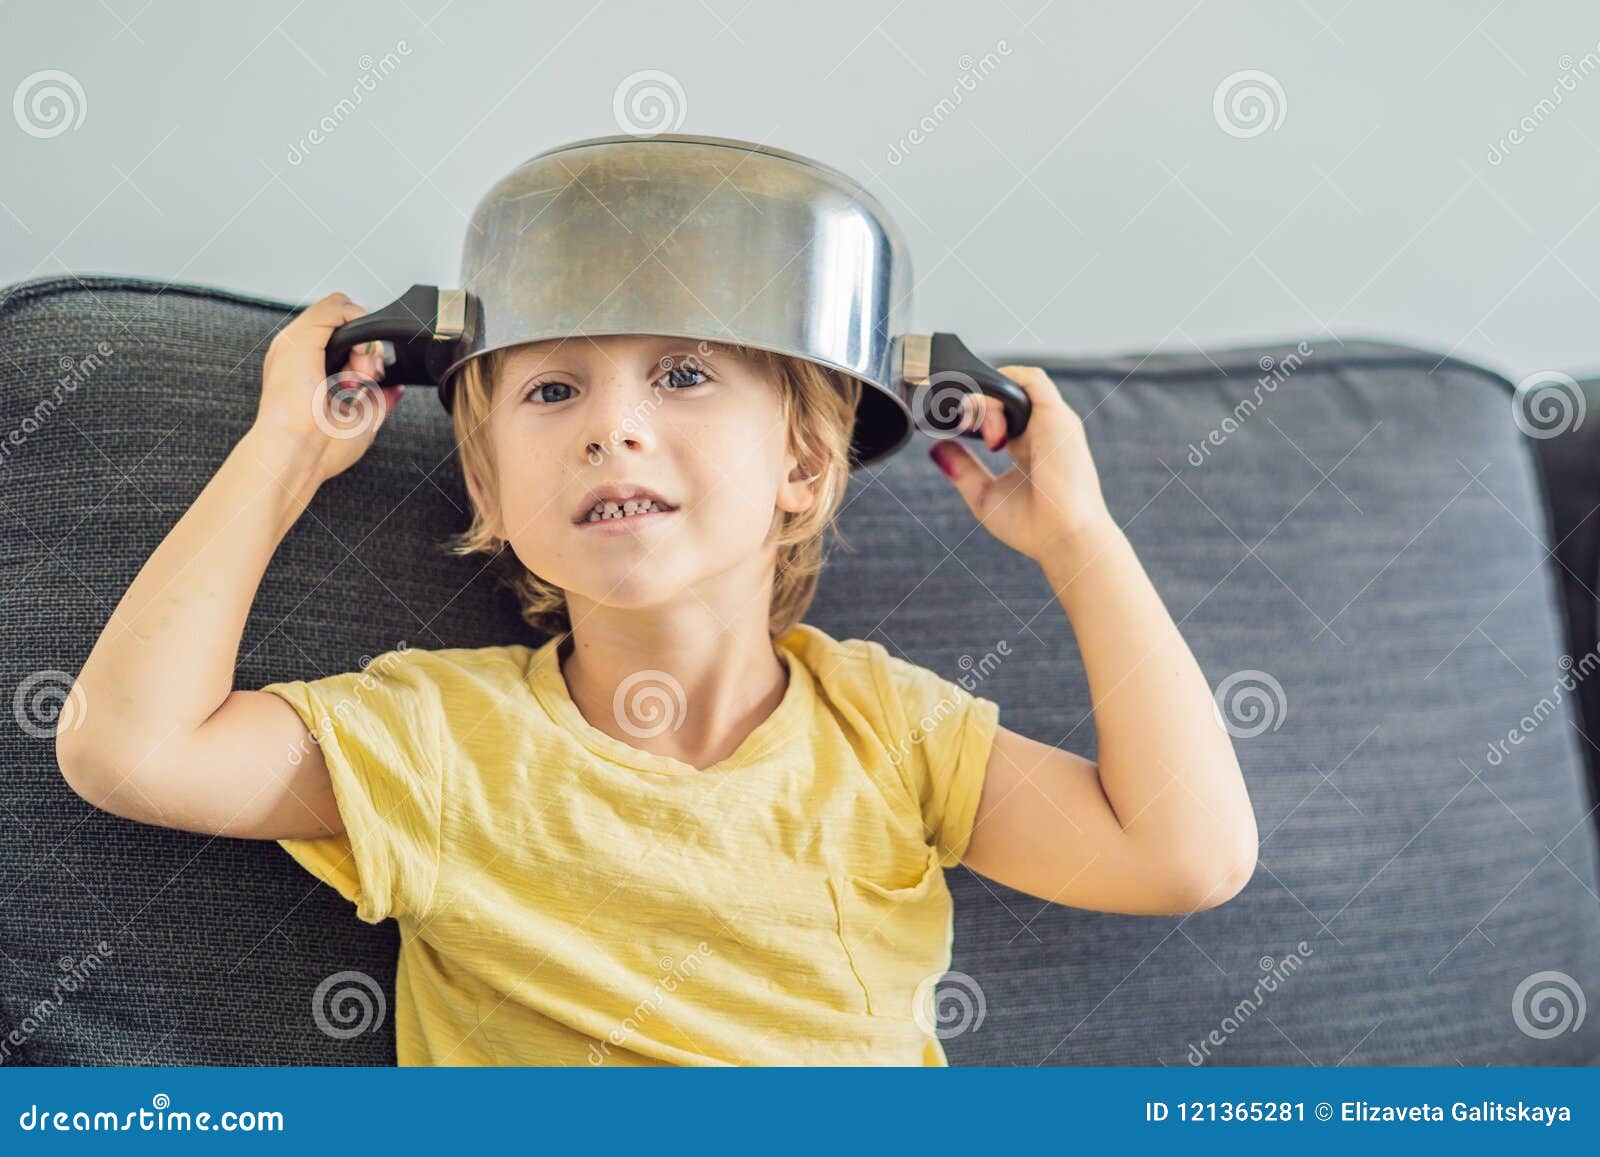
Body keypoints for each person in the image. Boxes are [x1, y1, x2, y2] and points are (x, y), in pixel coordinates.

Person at [56, 291, 1257, 1066]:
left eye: (681, 374)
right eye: (552, 388)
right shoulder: (438, 736)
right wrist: (280, 458)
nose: (609, 426)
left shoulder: (888, 727)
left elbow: (1184, 854)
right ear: (491, 492)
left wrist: (1080, 540)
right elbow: (132, 748)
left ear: (801, 458)